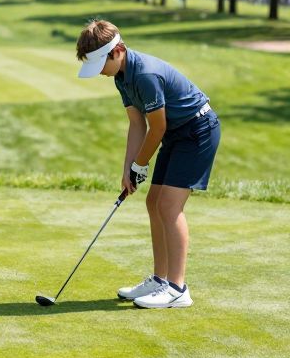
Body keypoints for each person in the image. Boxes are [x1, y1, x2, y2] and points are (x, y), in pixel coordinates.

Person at [76, 18, 220, 309]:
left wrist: (141, 164)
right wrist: (128, 168)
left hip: (197, 130)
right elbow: (136, 124)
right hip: (177, 133)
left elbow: (158, 127)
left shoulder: (145, 75)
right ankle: (160, 280)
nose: (101, 73)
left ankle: (178, 289)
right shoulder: (120, 77)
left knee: (168, 206)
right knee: (153, 202)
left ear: (117, 52)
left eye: (101, 64)